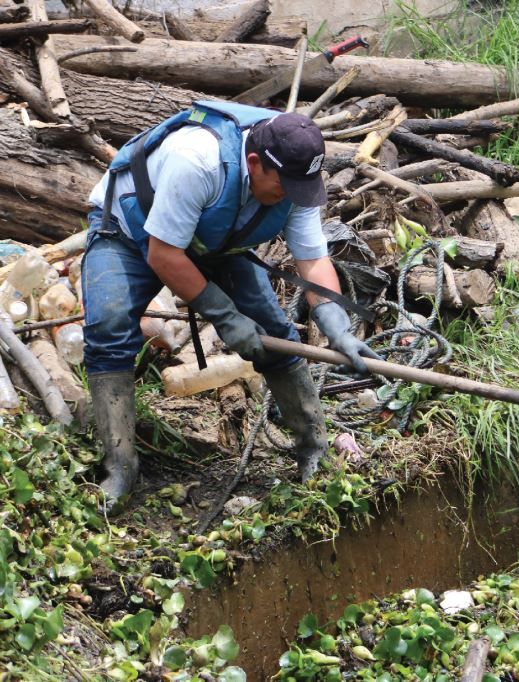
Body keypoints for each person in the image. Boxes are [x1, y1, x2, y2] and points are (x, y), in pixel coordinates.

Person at [82, 100, 379, 508]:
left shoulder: (293, 181)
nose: (287, 199)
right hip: (129, 230)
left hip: (212, 240)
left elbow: (312, 259)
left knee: (274, 332)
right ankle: (120, 466)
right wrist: (224, 316)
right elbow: (164, 254)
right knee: (109, 326)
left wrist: (335, 323)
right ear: (254, 163)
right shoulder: (198, 163)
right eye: (281, 189)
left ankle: (313, 446)